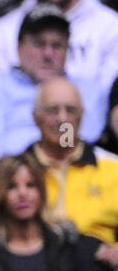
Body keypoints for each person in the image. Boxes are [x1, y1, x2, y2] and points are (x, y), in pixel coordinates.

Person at [0, 4, 107, 182]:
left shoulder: (88, 91)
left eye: (57, 46)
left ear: (68, 51)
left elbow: (75, 143)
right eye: (39, 44)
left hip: (73, 183)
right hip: (11, 188)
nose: (47, 54)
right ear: (19, 48)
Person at [0, 153, 110, 271]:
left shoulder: (68, 243)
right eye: (11, 186)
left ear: (41, 191)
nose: (23, 194)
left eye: (30, 185)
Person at [0, 0, 118, 118]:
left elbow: (101, 104)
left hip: (76, 131)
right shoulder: (2, 30)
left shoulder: (112, 27)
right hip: (16, 131)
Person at [18, 76, 118, 245]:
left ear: (81, 117)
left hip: (98, 266)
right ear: (35, 117)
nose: (62, 119)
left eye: (70, 110)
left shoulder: (113, 168)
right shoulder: (10, 171)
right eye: (52, 110)